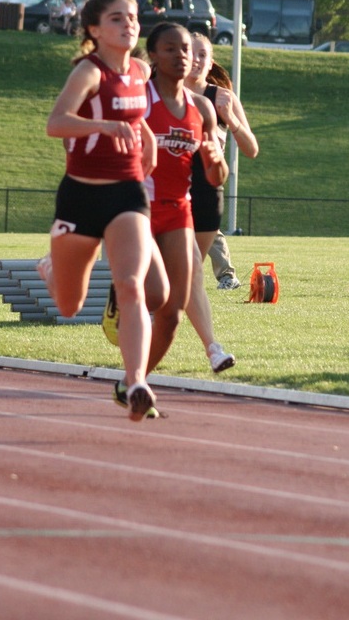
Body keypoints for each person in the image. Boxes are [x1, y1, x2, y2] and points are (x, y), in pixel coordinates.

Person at [36, 0, 168, 422]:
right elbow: (56, 124)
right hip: (81, 196)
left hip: (127, 192)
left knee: (131, 285)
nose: (129, 24)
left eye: (132, 17)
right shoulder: (88, 74)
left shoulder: (140, 70)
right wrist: (105, 125)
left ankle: (135, 383)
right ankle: (50, 269)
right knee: (70, 306)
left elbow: (135, 115)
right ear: (94, 30)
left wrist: (143, 135)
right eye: (116, 19)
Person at [105, 21, 229, 409]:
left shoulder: (203, 109)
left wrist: (215, 161)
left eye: (186, 50)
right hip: (136, 208)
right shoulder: (137, 100)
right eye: (171, 49)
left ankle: (131, 383)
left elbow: (215, 175)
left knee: (173, 315)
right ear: (154, 56)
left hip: (179, 210)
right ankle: (137, 376)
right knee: (156, 296)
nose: (181, 56)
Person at [184, 32, 258, 370]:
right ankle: (211, 347)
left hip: (204, 191)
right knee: (173, 272)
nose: (195, 59)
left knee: (188, 276)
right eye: (190, 52)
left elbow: (251, 149)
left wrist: (230, 121)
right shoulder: (157, 86)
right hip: (163, 189)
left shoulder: (222, 97)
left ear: (211, 61)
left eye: (203, 54)